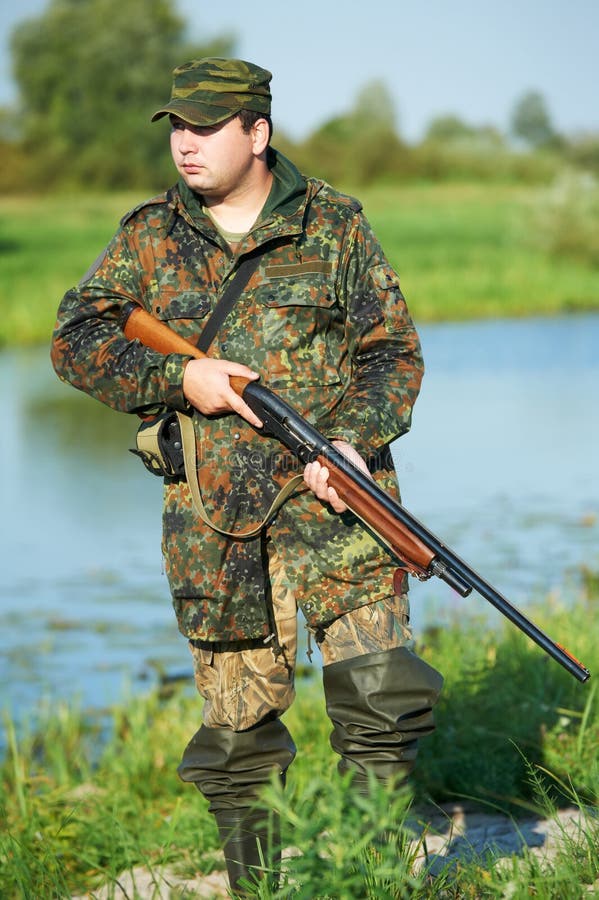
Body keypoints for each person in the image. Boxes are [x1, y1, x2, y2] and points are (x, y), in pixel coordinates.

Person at [51, 57, 443, 895]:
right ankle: (254, 889)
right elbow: (76, 339)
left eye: (204, 128)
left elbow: (392, 356)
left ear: (256, 133)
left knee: (380, 705)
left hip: (341, 509)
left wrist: (348, 441)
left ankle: (376, 878)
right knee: (237, 739)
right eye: (177, 130)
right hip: (215, 527)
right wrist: (177, 378)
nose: (185, 146)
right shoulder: (150, 235)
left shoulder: (333, 224)